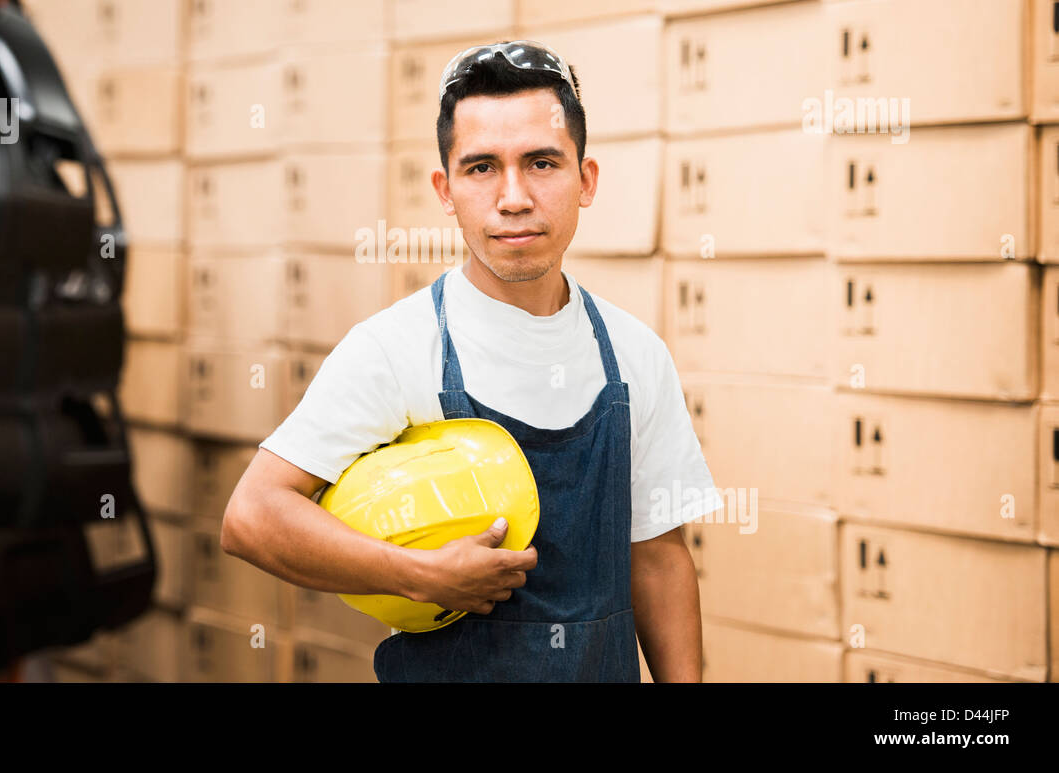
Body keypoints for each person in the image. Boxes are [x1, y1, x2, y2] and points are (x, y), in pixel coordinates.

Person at [221, 40, 723, 682]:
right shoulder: (397, 348)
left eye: (542, 163)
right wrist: (417, 574)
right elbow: (253, 516)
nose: (513, 198)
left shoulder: (634, 356)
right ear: (446, 189)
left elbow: (657, 556)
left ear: (586, 180)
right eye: (481, 168)